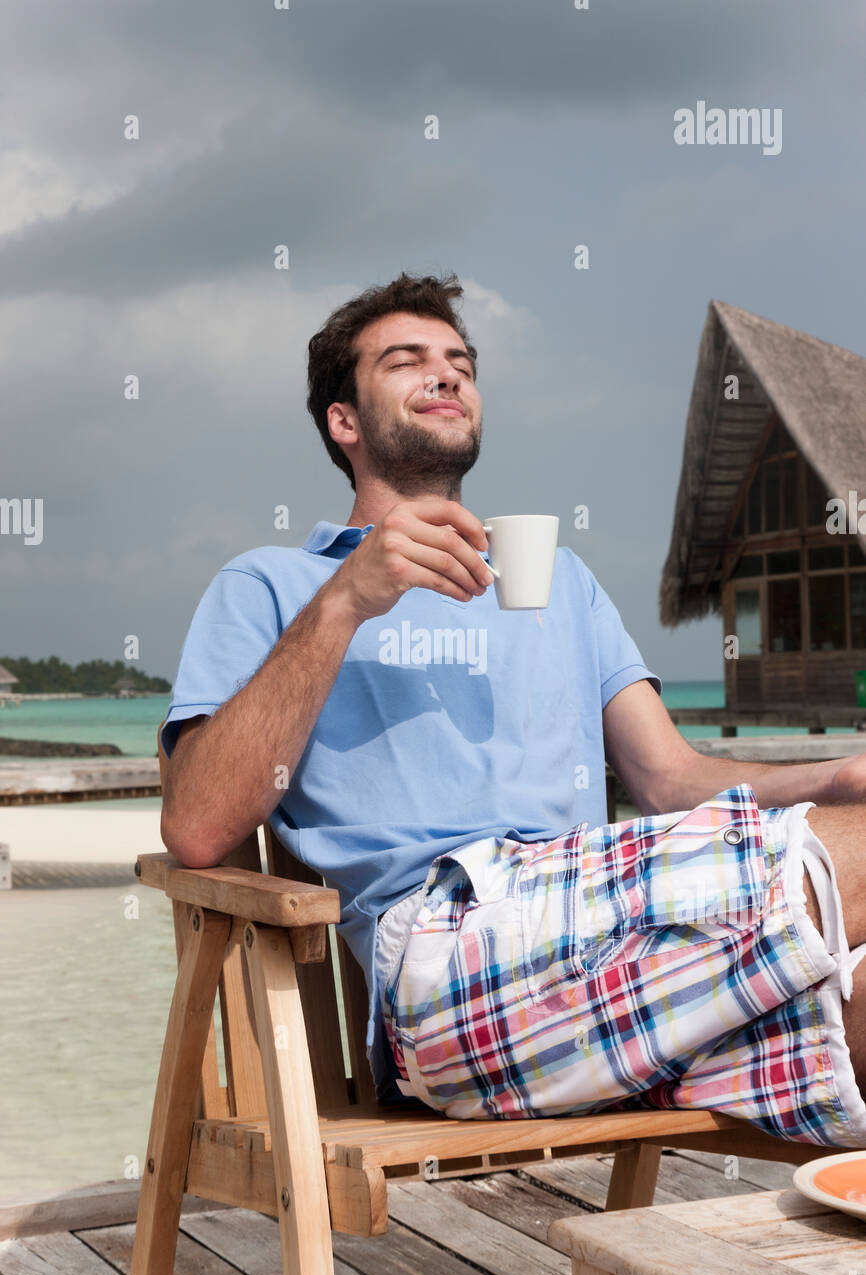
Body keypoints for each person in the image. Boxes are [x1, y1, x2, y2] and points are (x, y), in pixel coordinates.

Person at [160, 271, 866, 1146]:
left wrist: (837, 774)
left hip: (618, 952)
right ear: (344, 422)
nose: (447, 374)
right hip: (447, 964)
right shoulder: (272, 586)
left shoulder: (560, 580)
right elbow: (195, 827)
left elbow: (672, 777)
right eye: (406, 361)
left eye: (460, 361)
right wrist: (346, 600)